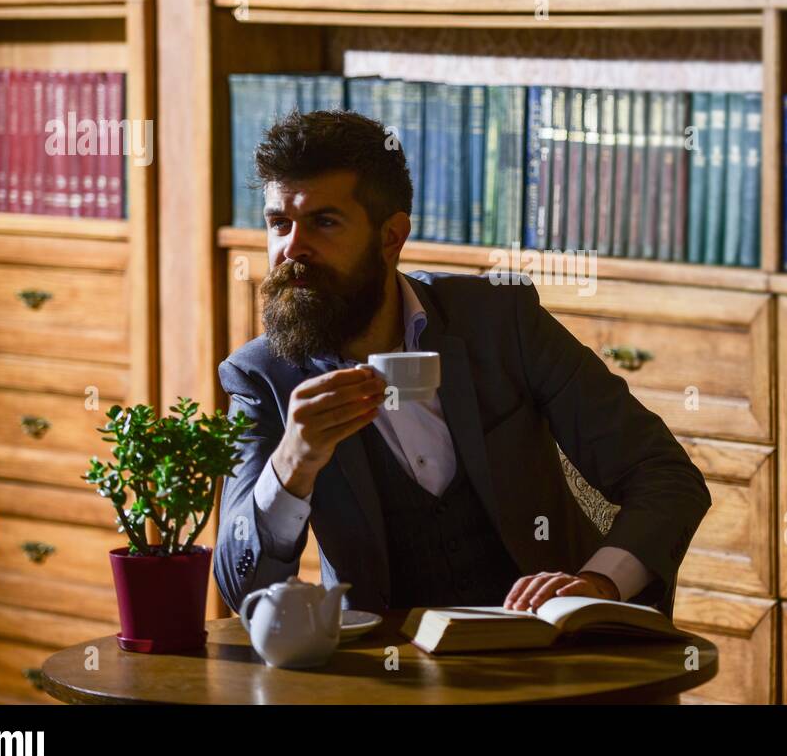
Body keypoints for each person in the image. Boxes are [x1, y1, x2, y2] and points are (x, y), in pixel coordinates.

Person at [214, 109, 710, 617]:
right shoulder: (262, 378)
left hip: (557, 655)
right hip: (388, 676)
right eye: (279, 223)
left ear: (390, 237)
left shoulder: (499, 320)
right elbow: (239, 587)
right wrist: (293, 461)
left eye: (324, 222)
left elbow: (665, 475)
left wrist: (599, 584)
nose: (292, 248)